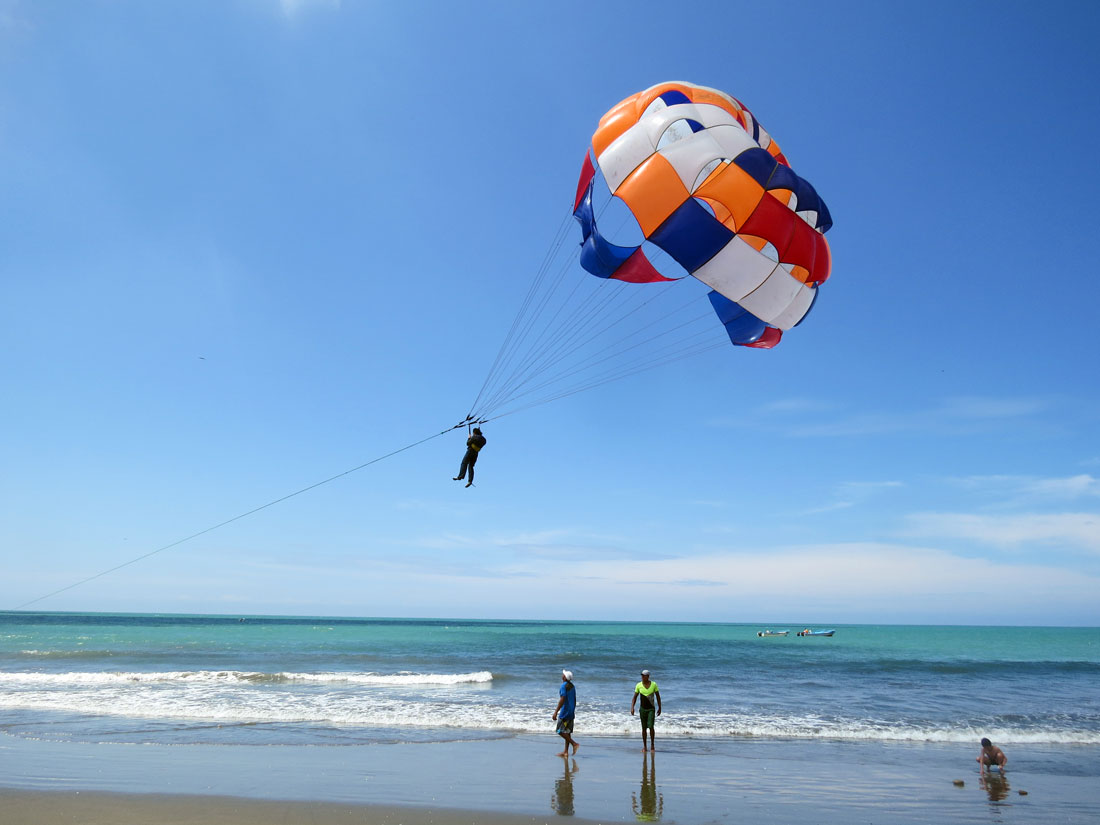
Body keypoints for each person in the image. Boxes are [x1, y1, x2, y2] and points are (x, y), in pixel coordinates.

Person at [630, 669, 662, 751]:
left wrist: (659, 707)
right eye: (642, 675)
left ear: (648, 676)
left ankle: (652, 745)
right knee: (644, 728)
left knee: (651, 726)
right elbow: (634, 697)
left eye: (643, 676)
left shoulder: (654, 684)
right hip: (642, 709)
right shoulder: (638, 685)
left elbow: (658, 696)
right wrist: (632, 707)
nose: (642, 677)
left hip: (651, 709)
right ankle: (644, 746)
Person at [552, 669, 579, 756]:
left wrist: (556, 712)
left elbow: (562, 699)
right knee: (567, 732)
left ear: (564, 677)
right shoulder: (572, 686)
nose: (561, 675)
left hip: (565, 712)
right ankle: (566, 752)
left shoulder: (563, 686)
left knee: (559, 730)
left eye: (563, 674)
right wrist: (573, 710)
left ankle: (574, 744)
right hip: (571, 712)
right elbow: (574, 699)